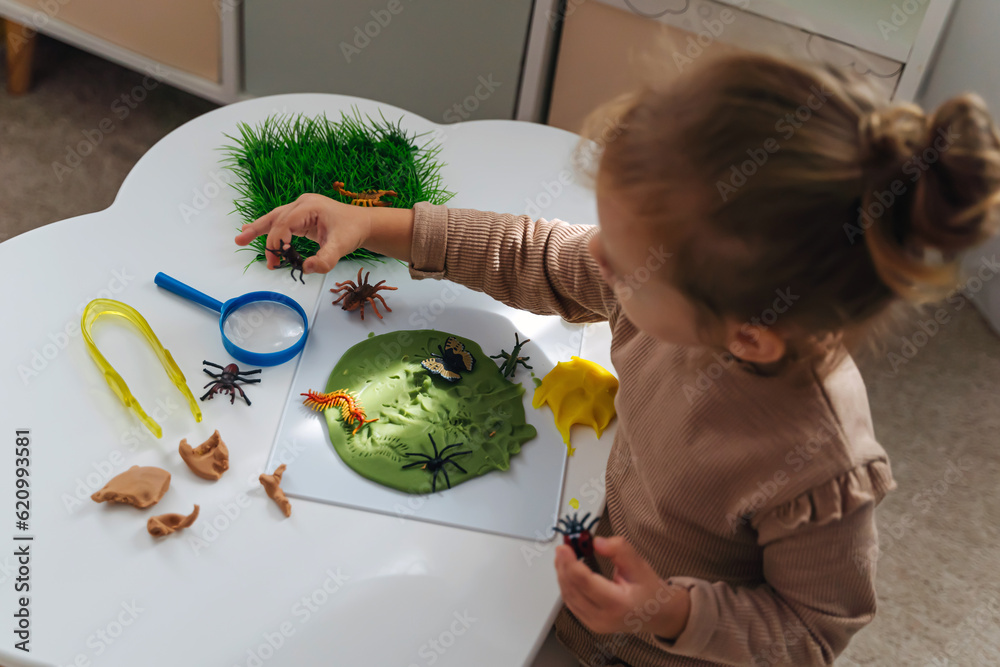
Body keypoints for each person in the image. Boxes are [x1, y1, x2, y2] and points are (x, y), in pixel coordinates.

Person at [234, 53, 1000, 666]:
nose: (593, 254)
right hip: (577, 569)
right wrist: (372, 223)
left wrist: (668, 611)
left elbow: (810, 633)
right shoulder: (672, 291)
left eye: (626, 258)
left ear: (746, 335)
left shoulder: (819, 468)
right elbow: (529, 252)